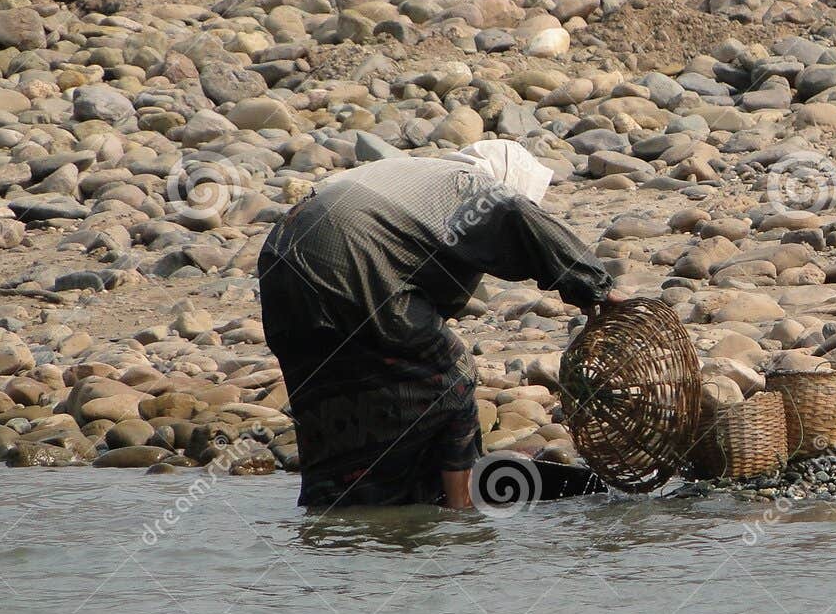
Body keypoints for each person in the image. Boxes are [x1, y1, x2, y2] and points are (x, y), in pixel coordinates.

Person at [257, 140, 625, 510]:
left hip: (281, 255)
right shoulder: (471, 183)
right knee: (453, 376)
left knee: (335, 392)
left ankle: (338, 509)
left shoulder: (419, 179)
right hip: (347, 249)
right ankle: (460, 512)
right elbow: (514, 212)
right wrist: (596, 286)